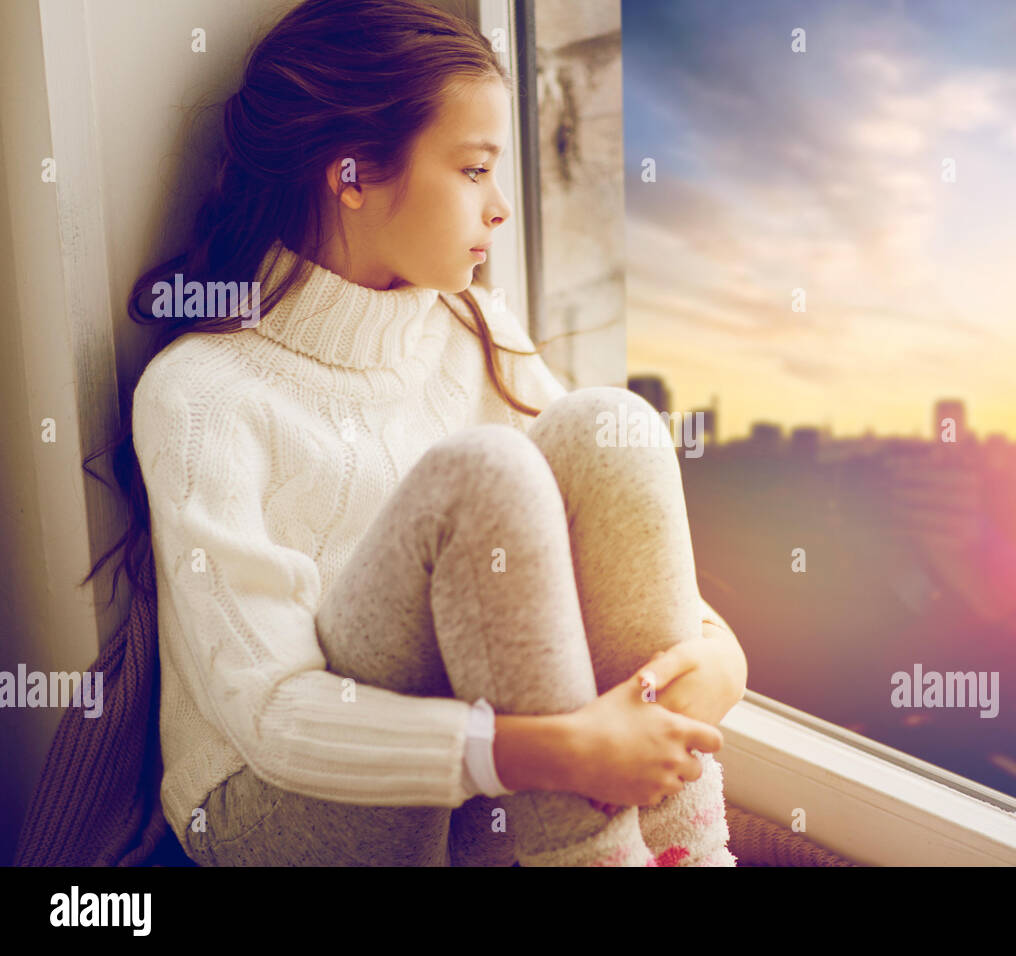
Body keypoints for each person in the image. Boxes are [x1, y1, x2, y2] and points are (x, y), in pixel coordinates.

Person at [87, 0, 748, 866]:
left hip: (464, 788)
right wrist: (562, 748)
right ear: (351, 174)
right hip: (274, 804)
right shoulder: (203, 395)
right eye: (474, 170)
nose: (502, 208)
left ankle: (690, 856)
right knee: (484, 476)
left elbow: (625, 560)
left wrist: (716, 653)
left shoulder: (470, 328)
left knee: (610, 426)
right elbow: (276, 718)